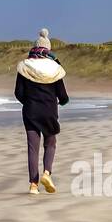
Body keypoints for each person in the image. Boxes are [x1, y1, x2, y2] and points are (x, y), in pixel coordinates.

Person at [14, 28, 68, 195]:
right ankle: (47, 173)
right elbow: (63, 95)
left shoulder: (25, 66)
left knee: (33, 148)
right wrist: (62, 102)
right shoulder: (55, 68)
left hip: (30, 111)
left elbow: (18, 92)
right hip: (49, 111)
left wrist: (29, 102)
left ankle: (33, 185)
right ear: (48, 50)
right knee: (50, 143)